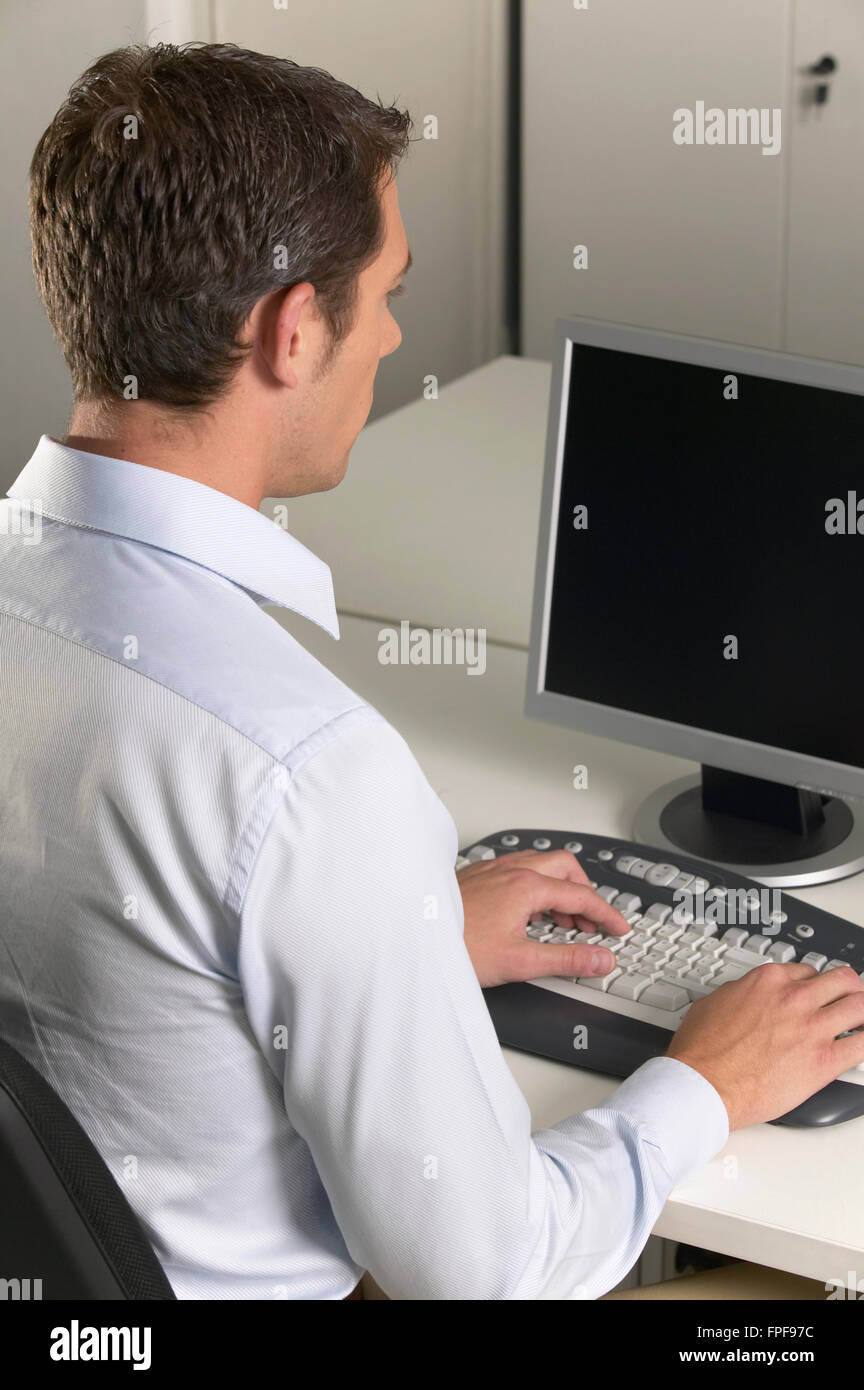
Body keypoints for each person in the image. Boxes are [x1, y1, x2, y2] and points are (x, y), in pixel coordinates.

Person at [2, 42, 863, 1302]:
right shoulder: (304, 775)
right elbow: (481, 1270)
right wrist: (707, 1082)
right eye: (389, 291)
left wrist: (389, 941)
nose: (396, 334)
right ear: (295, 331)